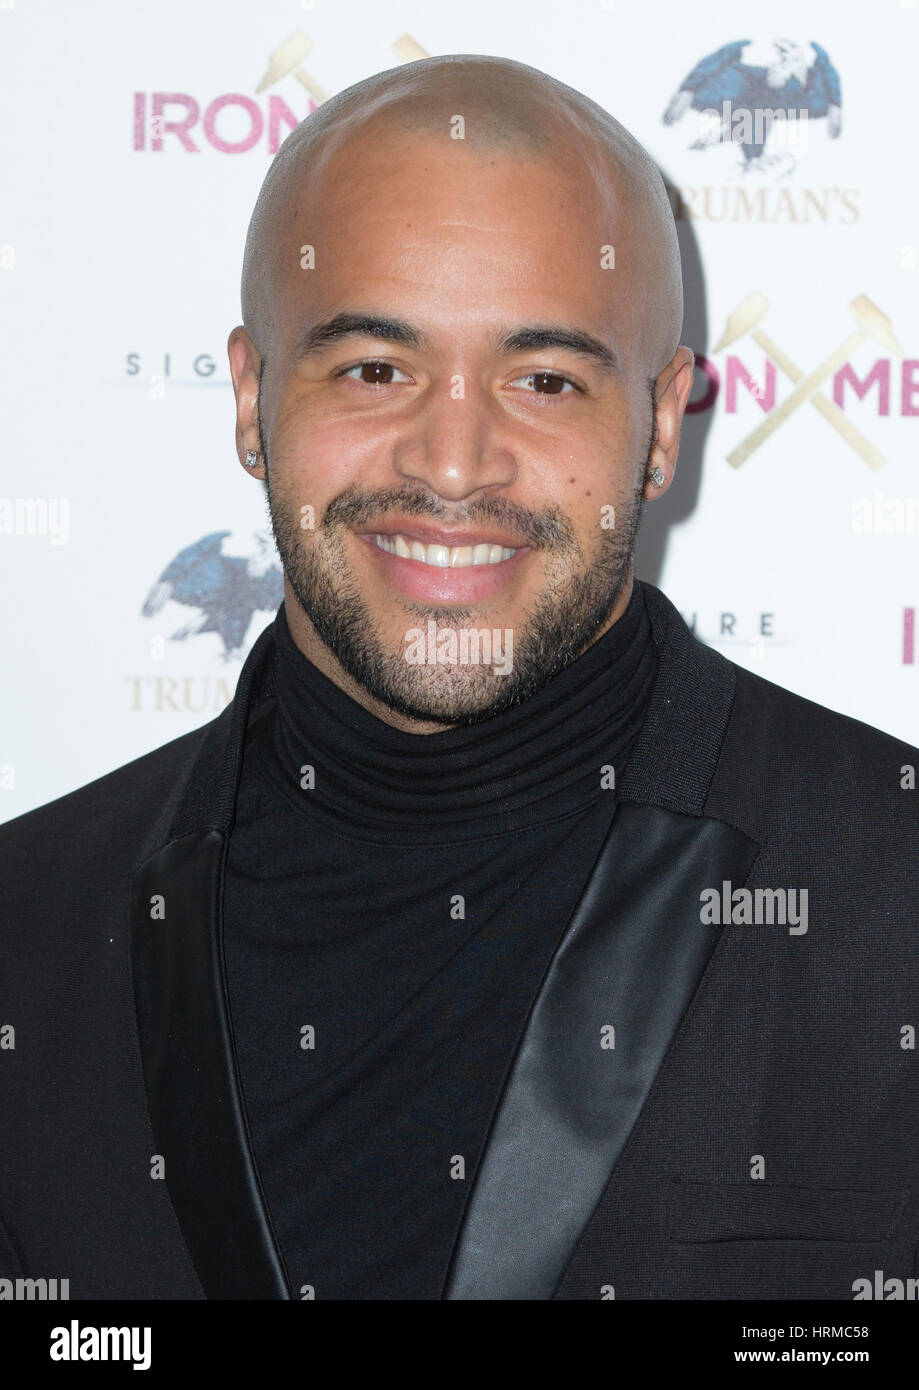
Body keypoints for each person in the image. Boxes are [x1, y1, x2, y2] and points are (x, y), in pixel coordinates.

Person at [1, 53, 916, 1302]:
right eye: (374, 366)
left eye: (544, 379)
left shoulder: (892, 885)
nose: (453, 462)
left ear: (659, 428)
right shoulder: (29, 923)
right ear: (253, 397)